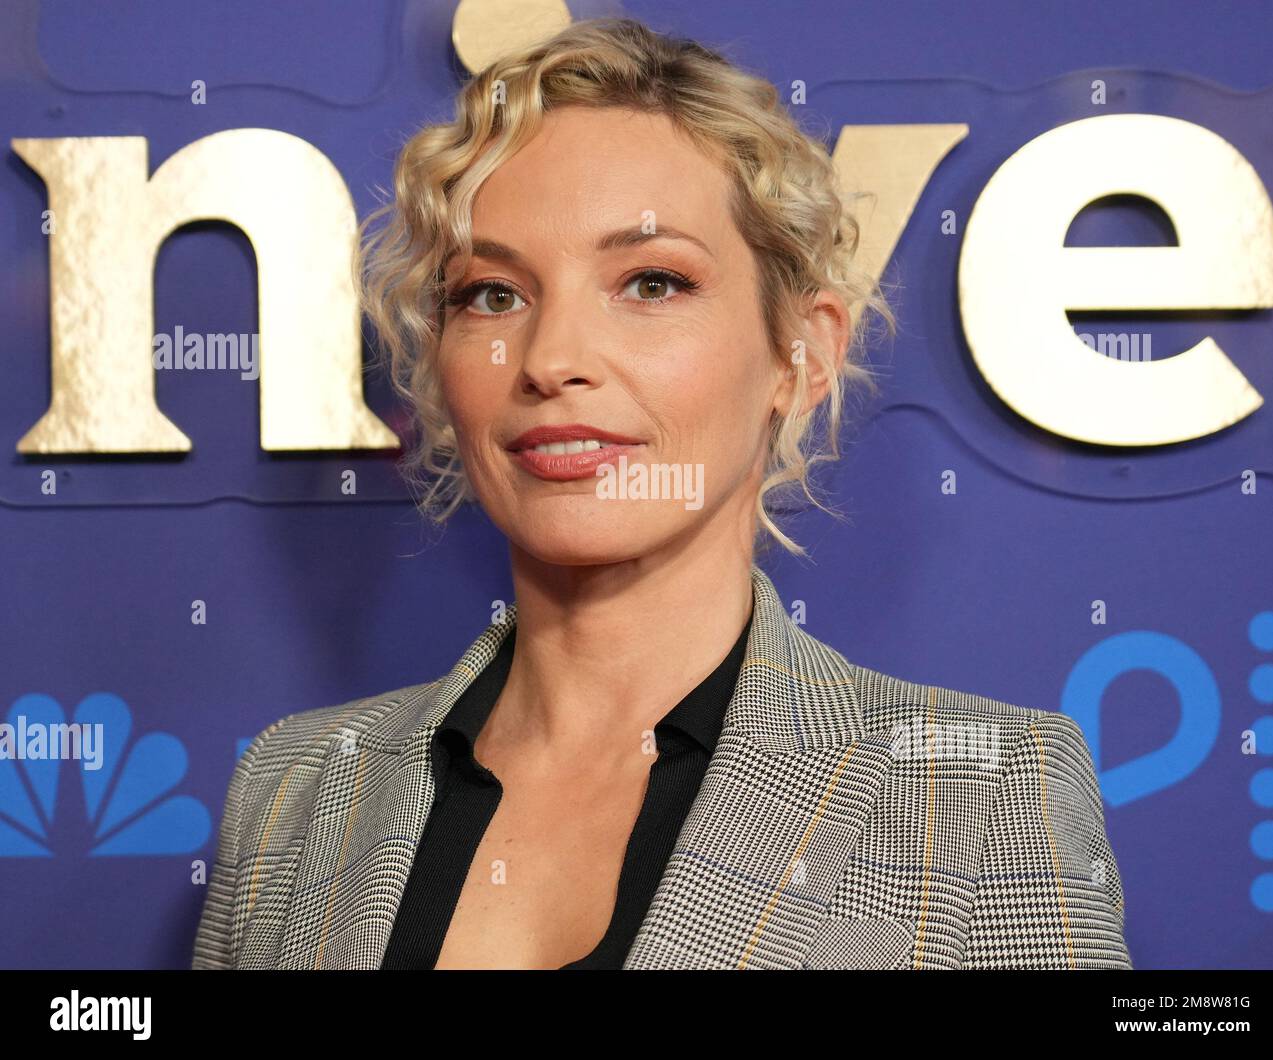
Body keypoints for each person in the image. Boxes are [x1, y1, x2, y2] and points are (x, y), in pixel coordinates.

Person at [192, 16, 1130, 970]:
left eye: (650, 282)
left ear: (801, 355)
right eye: (492, 295)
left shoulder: (982, 796)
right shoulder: (293, 789)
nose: (553, 360)